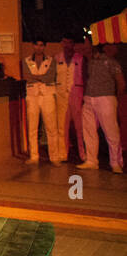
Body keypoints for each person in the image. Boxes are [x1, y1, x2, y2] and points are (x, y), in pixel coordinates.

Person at [79, 43, 124, 173]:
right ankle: (91, 160)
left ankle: (116, 162)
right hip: (89, 98)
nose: (108, 49)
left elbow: (120, 82)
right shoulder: (90, 61)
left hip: (106, 98)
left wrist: (116, 98)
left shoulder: (112, 62)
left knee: (111, 132)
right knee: (88, 130)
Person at [22, 39, 59, 164]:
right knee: (32, 127)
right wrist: (41, 78)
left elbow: (50, 77)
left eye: (41, 45)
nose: (38, 47)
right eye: (36, 45)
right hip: (32, 95)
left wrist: (36, 77)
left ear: (44, 46)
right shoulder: (26, 60)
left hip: (47, 94)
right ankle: (34, 156)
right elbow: (26, 76)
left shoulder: (50, 60)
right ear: (33, 46)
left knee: (51, 127)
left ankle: (54, 157)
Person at [55, 33, 84, 164]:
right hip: (61, 95)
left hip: (77, 94)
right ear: (62, 43)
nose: (67, 45)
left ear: (74, 44)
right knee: (62, 125)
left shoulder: (81, 58)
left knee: (80, 126)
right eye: (65, 42)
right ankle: (63, 153)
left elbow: (85, 77)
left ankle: (83, 153)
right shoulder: (56, 58)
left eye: (70, 42)